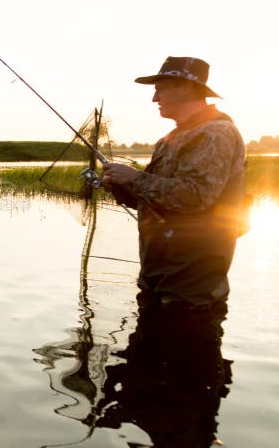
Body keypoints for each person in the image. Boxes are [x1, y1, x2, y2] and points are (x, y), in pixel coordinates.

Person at [101, 56, 247, 307]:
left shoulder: (216, 133)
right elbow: (158, 201)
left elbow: (194, 197)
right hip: (158, 279)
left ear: (186, 87)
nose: (154, 98)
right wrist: (121, 185)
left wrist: (135, 177)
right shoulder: (171, 138)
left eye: (160, 89)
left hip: (191, 289)